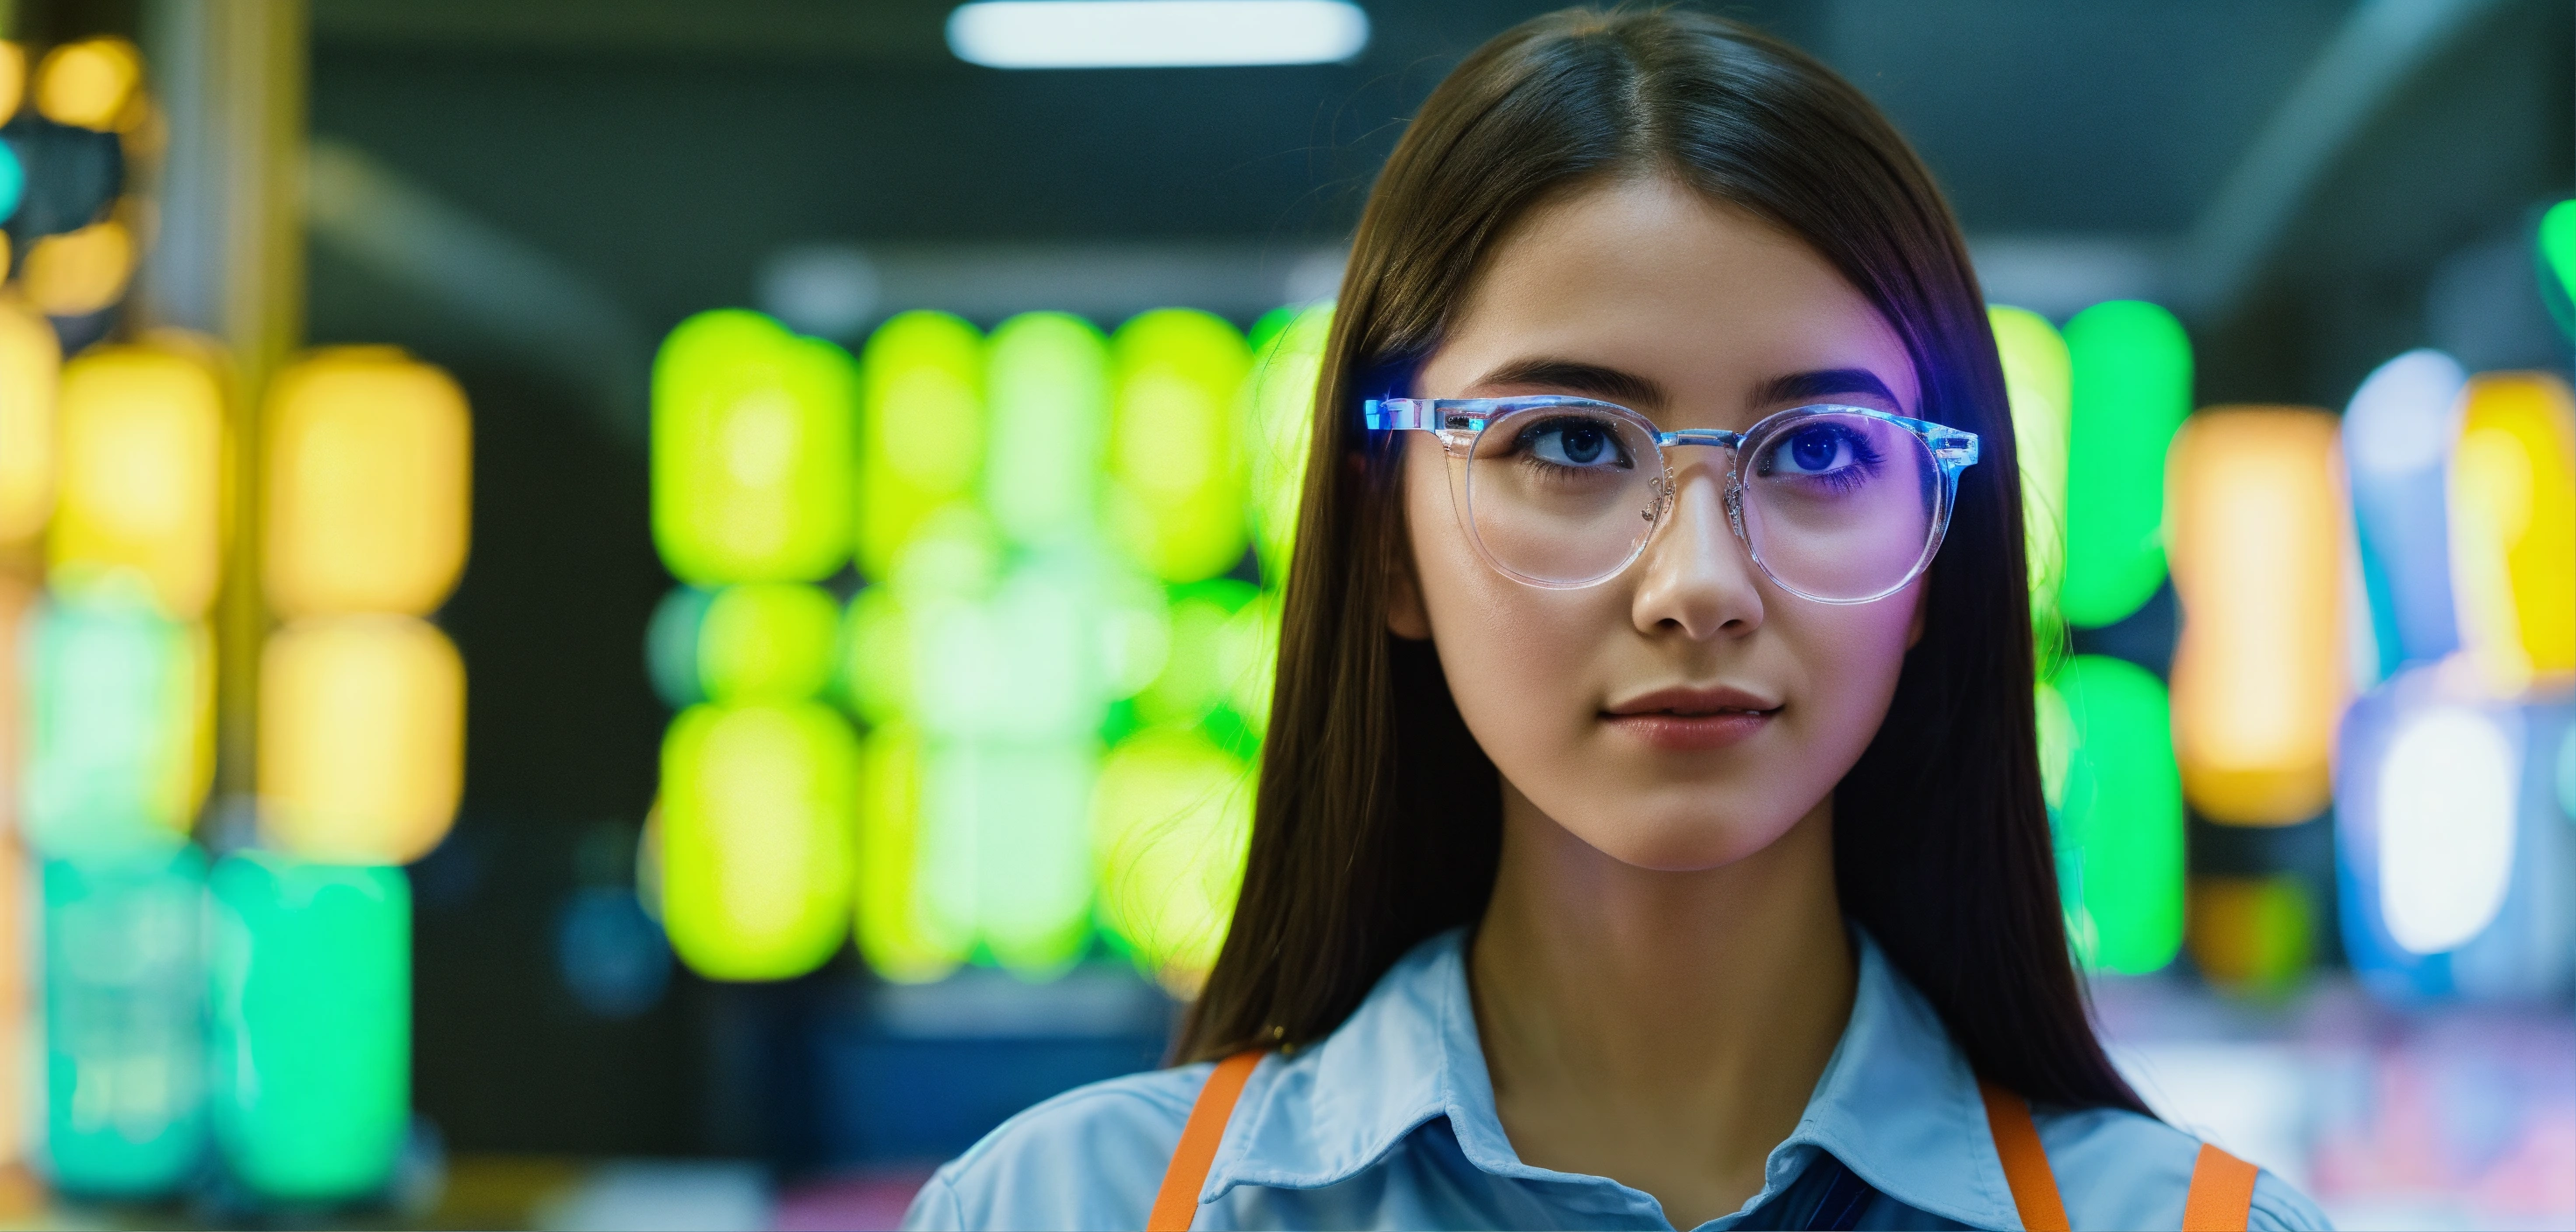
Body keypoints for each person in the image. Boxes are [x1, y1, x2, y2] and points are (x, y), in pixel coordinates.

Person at [904, 7, 2333, 1230]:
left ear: (1937, 556)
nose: (1699, 583)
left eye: (1820, 451)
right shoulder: (1060, 1209)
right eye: (1573, 445)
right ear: (1386, 539)